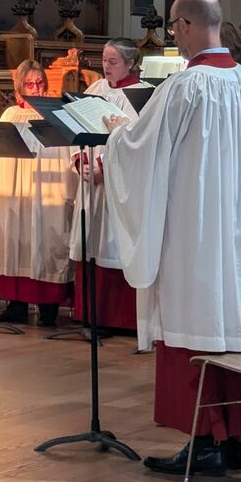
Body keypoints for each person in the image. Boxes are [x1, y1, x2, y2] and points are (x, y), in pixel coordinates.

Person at [101, 0, 241, 476]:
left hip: (198, 232)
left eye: (175, 30)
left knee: (197, 329)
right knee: (233, 329)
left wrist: (114, 134)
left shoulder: (186, 85)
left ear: (183, 25)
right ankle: (234, 440)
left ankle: (203, 442)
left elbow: (143, 148)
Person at [0, 59, 76, 328]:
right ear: (18, 88)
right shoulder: (10, 116)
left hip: (48, 193)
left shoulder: (55, 115)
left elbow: (66, 155)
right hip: (13, 191)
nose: (35, 88)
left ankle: (48, 308)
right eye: (29, 84)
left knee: (47, 242)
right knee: (15, 243)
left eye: (39, 83)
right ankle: (16, 305)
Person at [70, 39, 144, 333]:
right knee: (91, 240)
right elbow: (74, 127)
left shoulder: (142, 96)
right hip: (90, 182)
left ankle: (119, 319)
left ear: (130, 63)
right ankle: (89, 314)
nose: (106, 66)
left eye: (113, 61)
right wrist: (81, 161)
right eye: (104, 60)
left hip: (119, 186)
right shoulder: (95, 91)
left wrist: (106, 169)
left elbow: (137, 143)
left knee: (114, 243)